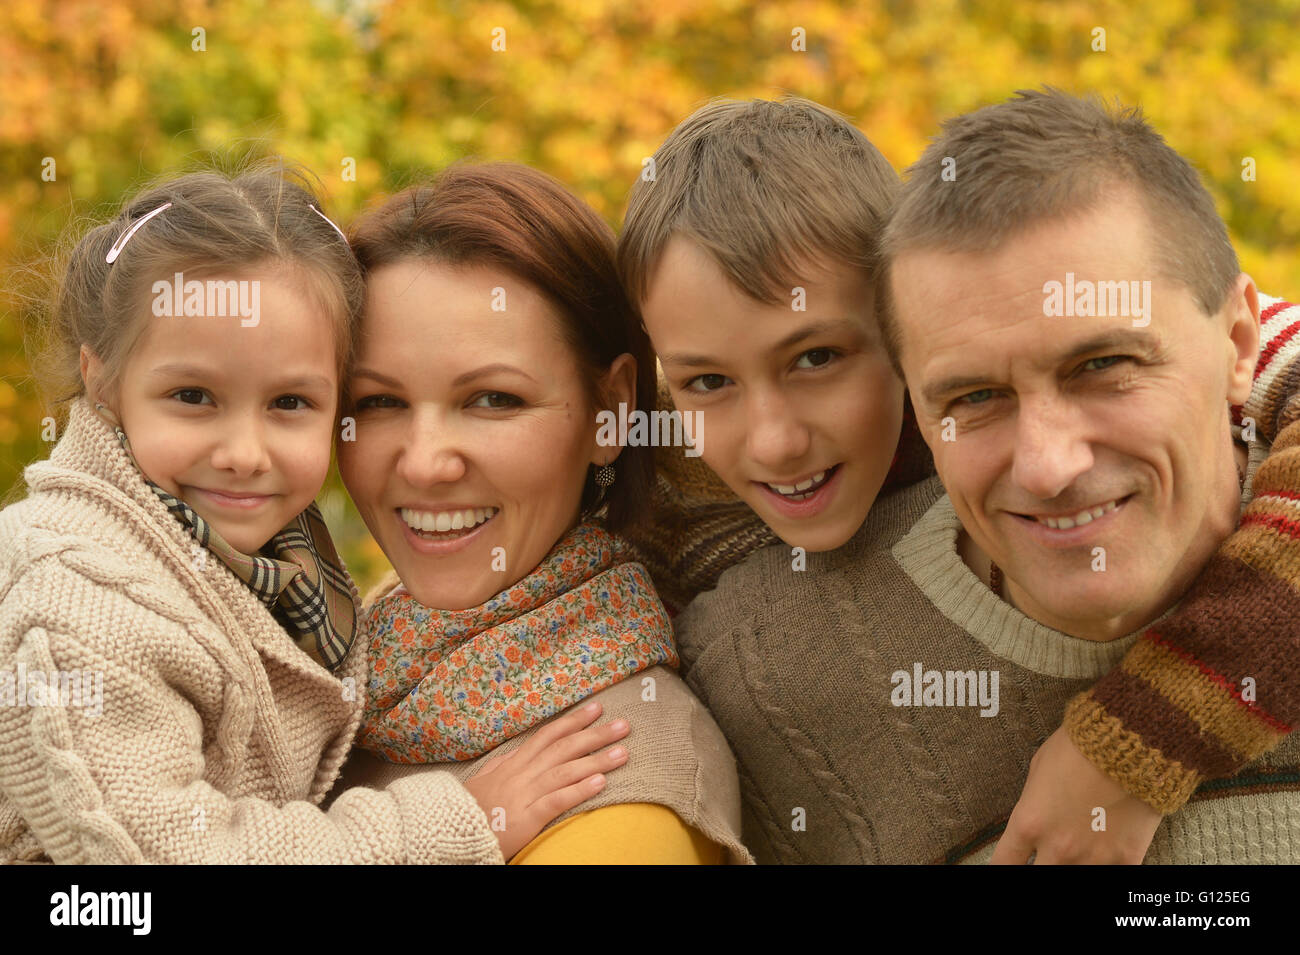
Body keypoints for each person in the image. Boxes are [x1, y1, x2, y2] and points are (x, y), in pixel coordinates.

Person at [618, 94, 1300, 862]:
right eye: (973, 396)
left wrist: (1148, 732)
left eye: (1103, 365)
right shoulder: (689, 569)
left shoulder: (1262, 369)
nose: (774, 441)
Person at [0, 162, 629, 864]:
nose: (244, 452)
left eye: (290, 403)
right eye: (193, 396)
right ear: (102, 379)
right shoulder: (75, 603)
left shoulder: (267, 561)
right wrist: (454, 819)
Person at [331, 162, 751, 863]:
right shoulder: (362, 659)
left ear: (611, 410)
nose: (426, 461)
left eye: (493, 399)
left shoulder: (623, 796)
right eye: (379, 402)